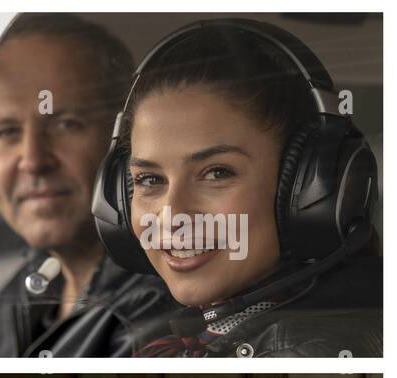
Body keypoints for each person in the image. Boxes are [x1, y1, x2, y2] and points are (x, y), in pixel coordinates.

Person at [102, 19, 382, 357]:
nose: (171, 215)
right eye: (150, 180)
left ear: (309, 187)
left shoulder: (308, 349)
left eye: (217, 173)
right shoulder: (192, 337)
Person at [0, 13, 178, 356]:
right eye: (7, 133)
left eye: (67, 124)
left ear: (128, 137)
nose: (34, 160)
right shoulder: (15, 301)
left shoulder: (159, 312)